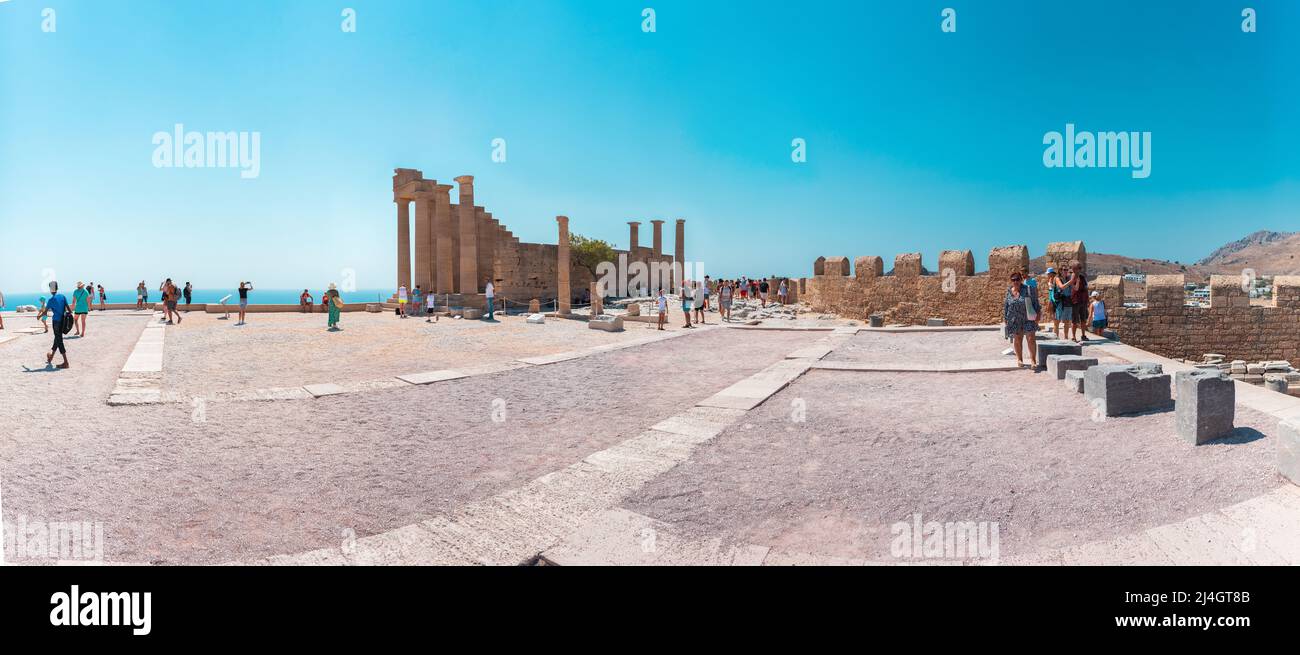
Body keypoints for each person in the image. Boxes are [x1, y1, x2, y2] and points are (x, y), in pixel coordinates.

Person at [1003, 272, 1040, 369]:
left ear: (1021, 280)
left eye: (1017, 279)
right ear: (1011, 281)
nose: (1015, 282)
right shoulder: (1009, 291)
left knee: (1031, 338)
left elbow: (1035, 302)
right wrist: (1005, 318)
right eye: (1013, 280)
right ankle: (1019, 359)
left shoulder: (1028, 289)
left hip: (1028, 318)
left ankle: (1033, 360)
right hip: (1014, 319)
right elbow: (1006, 305)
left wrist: (1038, 314)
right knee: (1017, 339)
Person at [42, 281, 71, 369]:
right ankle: (51, 357)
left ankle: (66, 362)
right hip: (63, 321)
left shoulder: (51, 300)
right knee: (57, 338)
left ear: (50, 290)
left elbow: (45, 313)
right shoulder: (63, 297)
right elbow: (69, 310)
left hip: (56, 322)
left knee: (59, 340)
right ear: (57, 288)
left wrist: (40, 315)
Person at [1067, 261, 1089, 342]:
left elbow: (1086, 288)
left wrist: (1087, 300)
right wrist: (1077, 281)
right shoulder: (1071, 277)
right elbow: (1074, 288)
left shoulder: (1082, 277)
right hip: (1075, 301)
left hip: (1083, 301)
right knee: (1074, 321)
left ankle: (1083, 335)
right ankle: (1073, 337)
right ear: (1073, 268)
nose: (1079, 270)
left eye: (1080, 268)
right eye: (1078, 268)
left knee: (1083, 320)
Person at [1052, 267, 1075, 341]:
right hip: (1059, 302)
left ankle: (1066, 338)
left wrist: (1076, 280)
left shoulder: (1068, 279)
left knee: (1067, 321)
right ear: (1060, 271)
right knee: (1057, 321)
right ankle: (1056, 338)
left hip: (1067, 301)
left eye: (1066, 270)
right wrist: (1071, 281)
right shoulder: (1057, 278)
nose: (1065, 271)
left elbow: (1076, 288)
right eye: (1064, 270)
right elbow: (1061, 287)